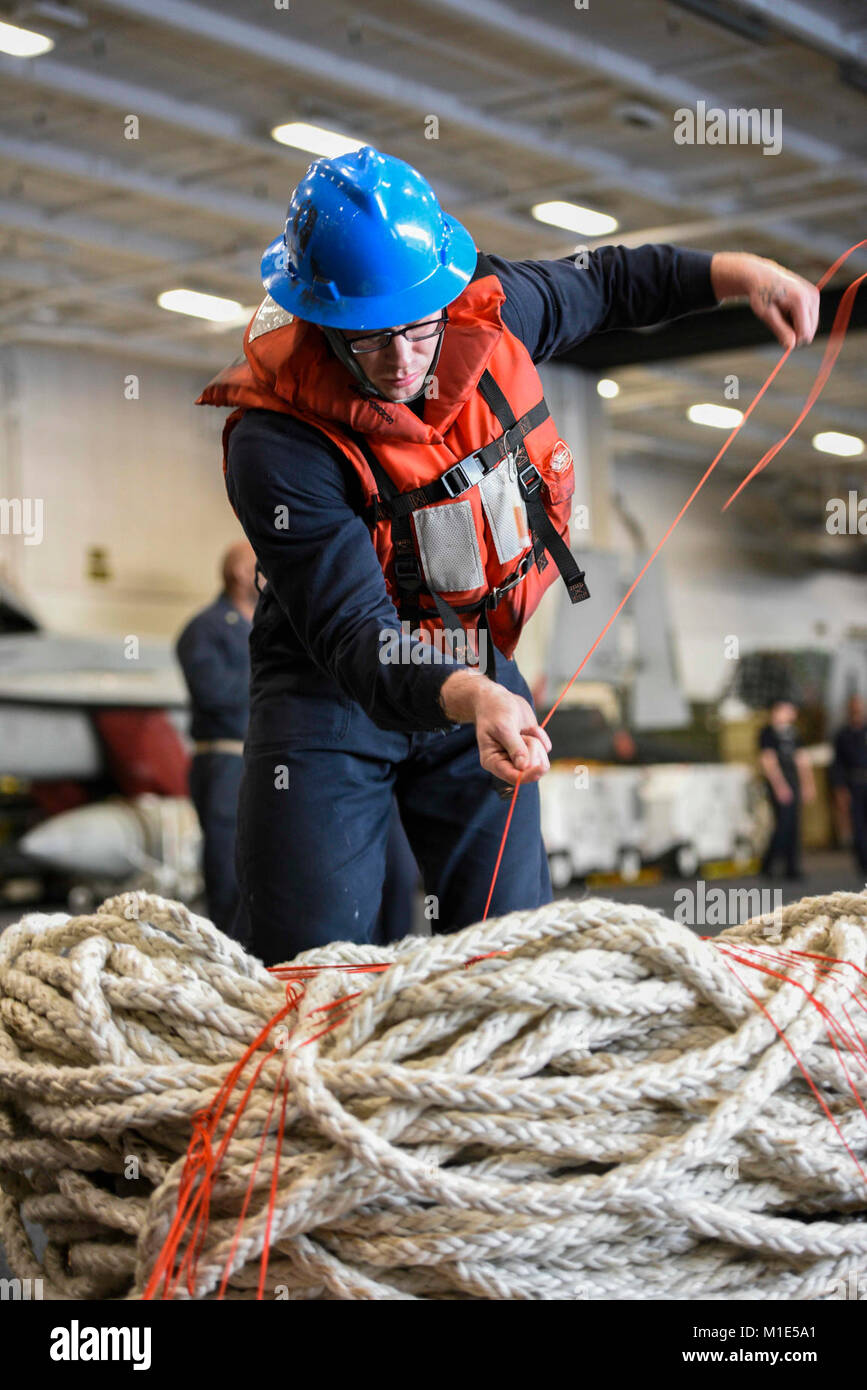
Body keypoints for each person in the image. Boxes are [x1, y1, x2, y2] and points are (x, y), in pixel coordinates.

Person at [198, 145, 820, 965]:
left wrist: (741, 275)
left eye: (418, 329)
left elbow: (607, 284)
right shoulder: (276, 441)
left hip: (478, 665)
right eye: (370, 339)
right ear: (320, 319)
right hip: (329, 689)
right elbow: (354, 635)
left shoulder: (490, 313)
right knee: (306, 959)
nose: (402, 362)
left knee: (510, 951)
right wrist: (470, 695)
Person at [175, 542, 256, 936]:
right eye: (260, 565)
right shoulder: (203, 629)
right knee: (227, 865)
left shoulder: (265, 624)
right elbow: (212, 691)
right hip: (225, 762)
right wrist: (273, 678)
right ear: (241, 572)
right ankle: (227, 950)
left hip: (262, 762)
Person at [758, 698, 816, 879]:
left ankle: (792, 867)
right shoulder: (767, 733)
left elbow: (802, 761)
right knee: (782, 825)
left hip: (793, 781)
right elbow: (769, 762)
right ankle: (769, 864)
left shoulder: (793, 733)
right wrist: (780, 786)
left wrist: (808, 784)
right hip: (780, 783)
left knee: (793, 826)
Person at [830, 694, 867, 876]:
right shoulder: (842, 735)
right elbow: (837, 765)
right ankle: (863, 861)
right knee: (858, 824)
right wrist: (840, 788)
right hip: (854, 783)